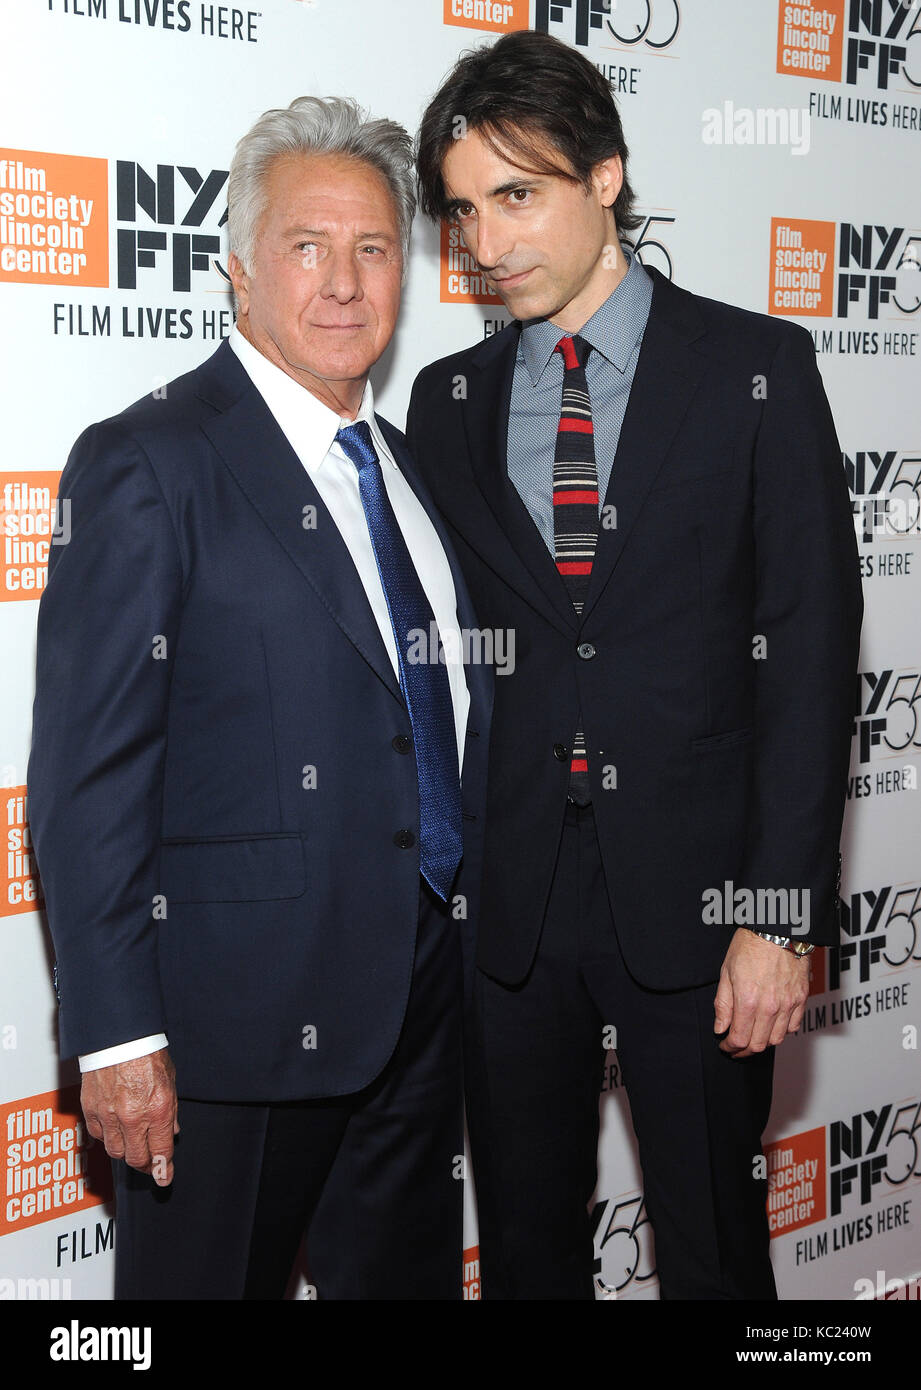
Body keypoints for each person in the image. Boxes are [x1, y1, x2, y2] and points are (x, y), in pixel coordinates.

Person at [408, 29, 863, 1300]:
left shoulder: (757, 372)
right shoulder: (442, 405)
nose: (488, 246)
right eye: (464, 210)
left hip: (707, 909)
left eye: (519, 195)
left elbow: (813, 660)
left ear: (606, 175)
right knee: (531, 1255)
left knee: (716, 1251)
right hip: (509, 916)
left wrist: (781, 917)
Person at [27, 95, 491, 1301]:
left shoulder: (404, 464)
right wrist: (119, 1036)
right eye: (306, 246)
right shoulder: (149, 460)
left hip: (417, 1006)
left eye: (374, 248)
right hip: (227, 1031)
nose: (344, 281)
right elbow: (86, 783)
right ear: (237, 268)